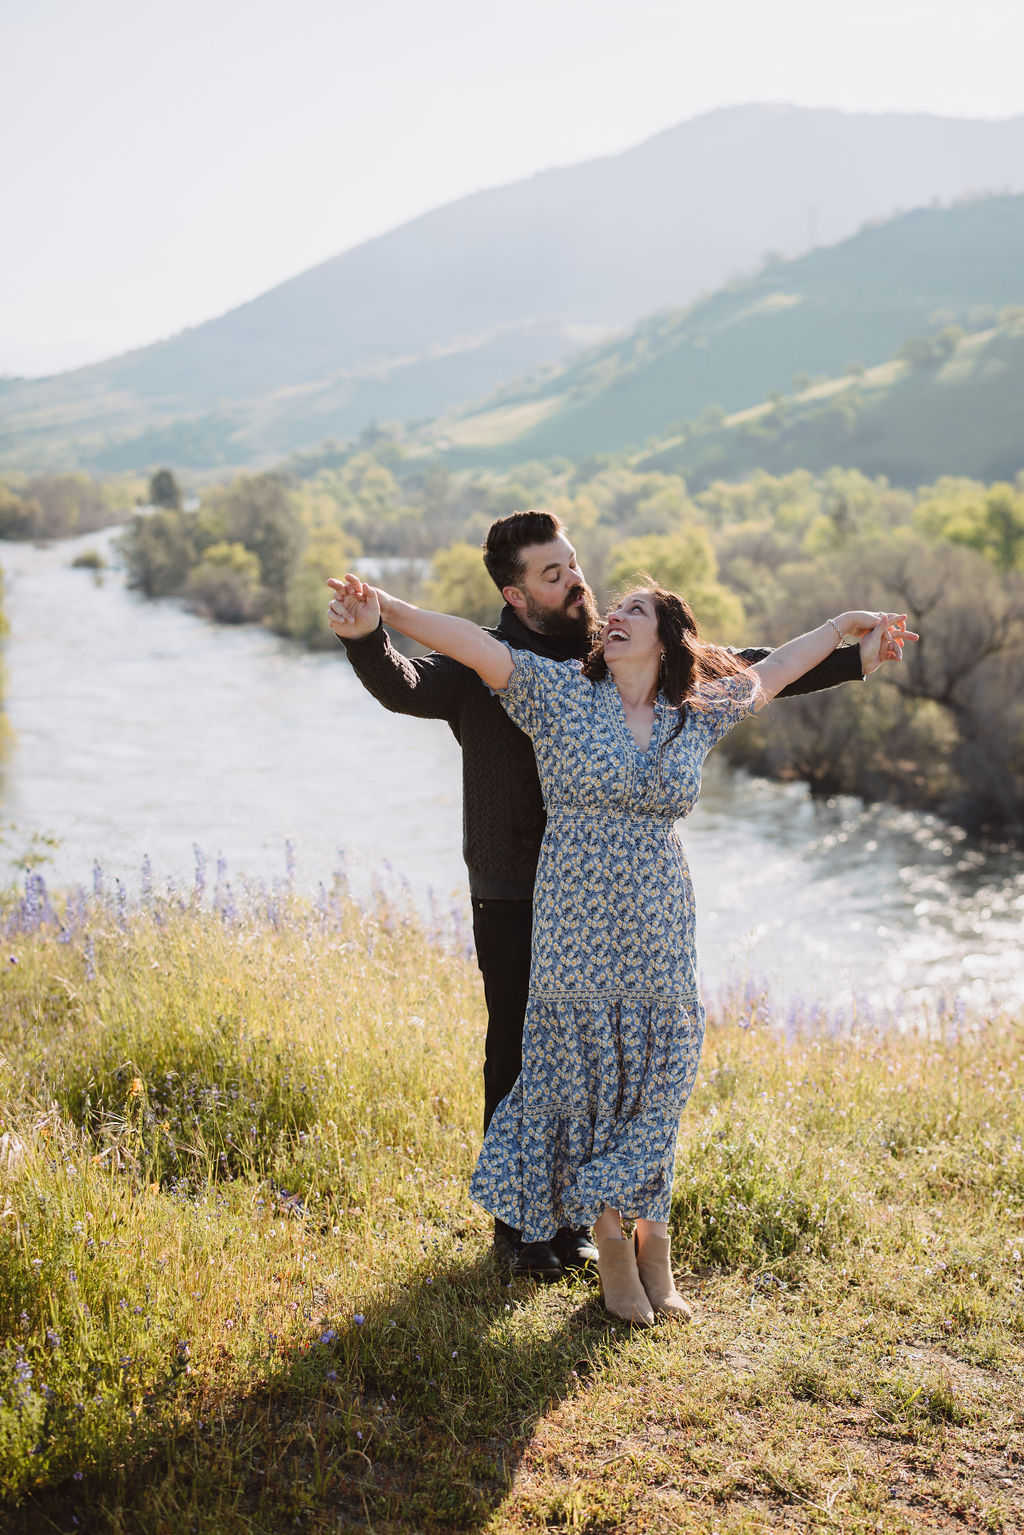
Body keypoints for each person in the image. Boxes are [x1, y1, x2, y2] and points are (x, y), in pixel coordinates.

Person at [330, 571, 914, 1325]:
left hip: (660, 914)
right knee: (583, 1077)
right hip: (576, 915)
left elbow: (771, 669)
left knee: (661, 1071)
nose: (614, 615)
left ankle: (653, 1242)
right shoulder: (557, 693)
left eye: (634, 610)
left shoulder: (695, 710)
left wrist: (841, 625)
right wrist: (389, 611)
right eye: (615, 609)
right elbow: (473, 643)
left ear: (668, 639)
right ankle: (612, 1245)